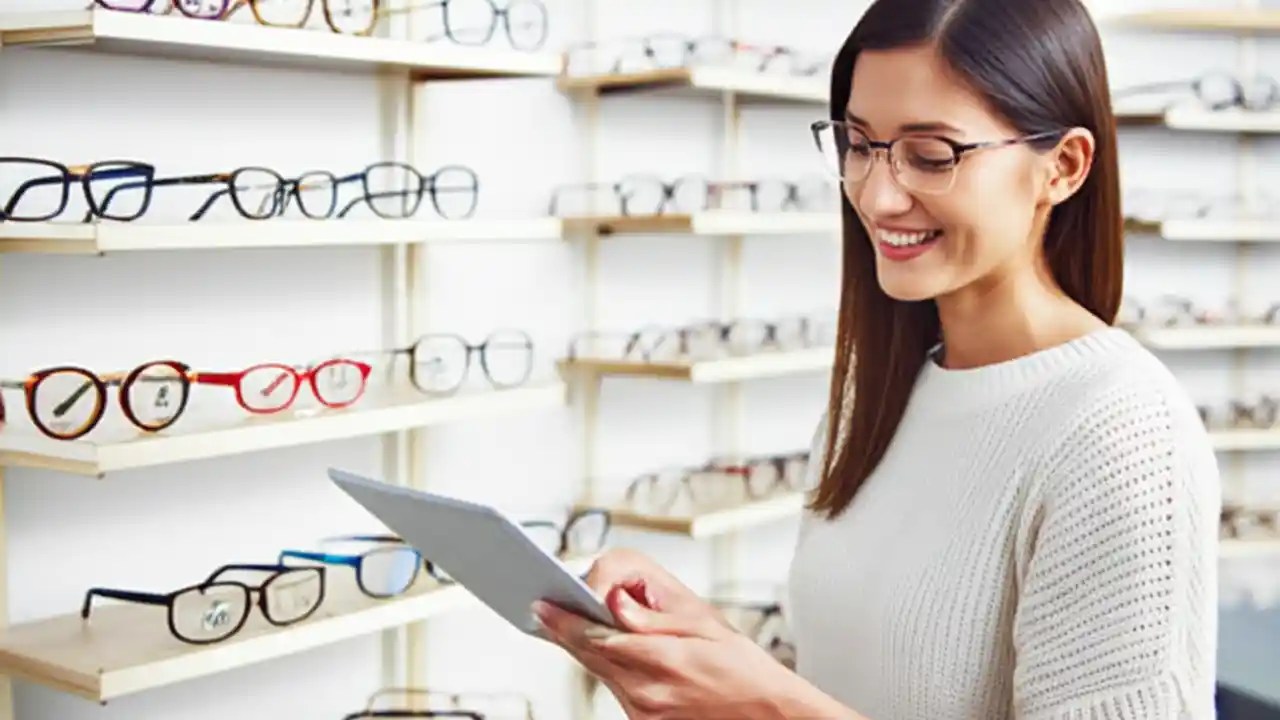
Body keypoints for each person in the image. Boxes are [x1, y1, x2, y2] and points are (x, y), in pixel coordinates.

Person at [533, 0, 1222, 717]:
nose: (879, 194)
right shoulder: (877, 397)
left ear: (1064, 167)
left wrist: (765, 704)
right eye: (860, 146)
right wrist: (703, 644)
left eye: (932, 156)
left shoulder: (1122, 434)